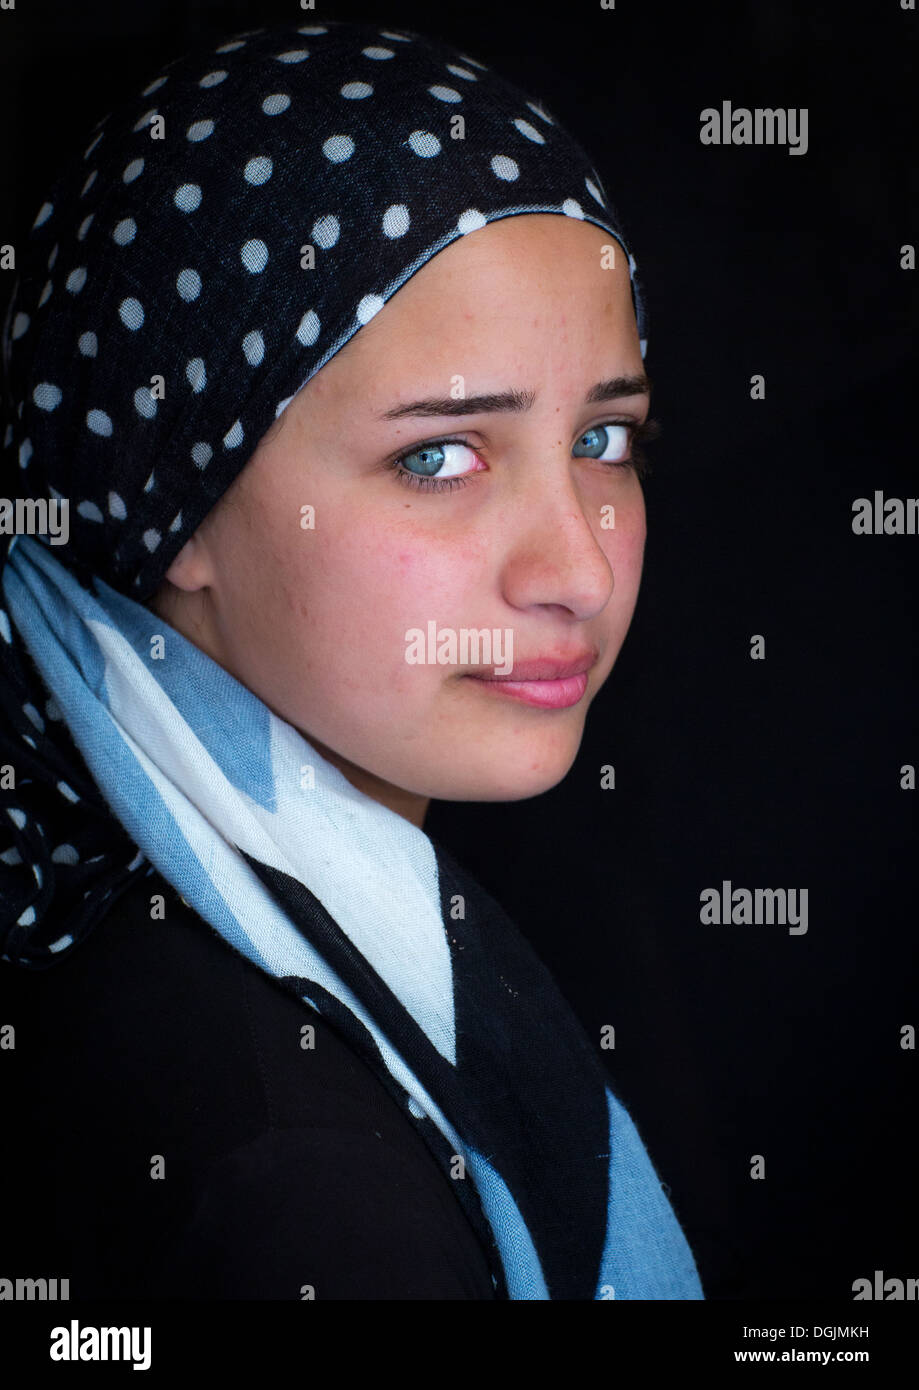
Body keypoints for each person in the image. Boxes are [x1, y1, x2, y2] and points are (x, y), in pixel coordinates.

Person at [0, 18, 704, 1300]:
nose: (579, 572)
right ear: (178, 497)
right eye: (438, 457)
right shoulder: (298, 1184)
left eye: (604, 439)